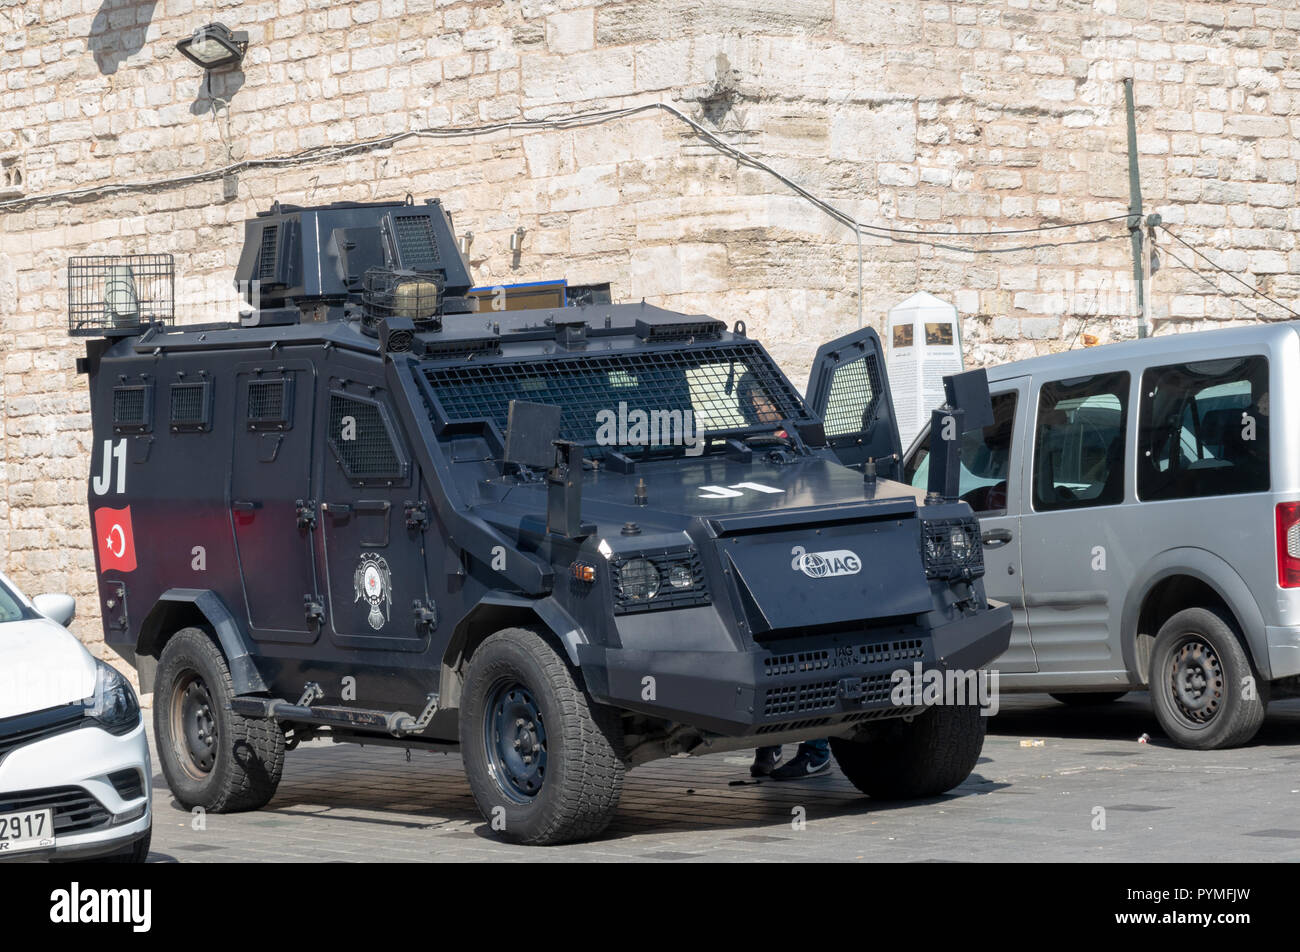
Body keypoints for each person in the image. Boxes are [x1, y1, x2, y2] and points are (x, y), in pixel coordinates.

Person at [736, 375, 832, 780]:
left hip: (801, 558)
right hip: (766, 562)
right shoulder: (742, 441)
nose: (760, 408)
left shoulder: (799, 440)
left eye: (764, 400)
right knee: (771, 656)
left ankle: (816, 748)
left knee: (812, 654)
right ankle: (767, 747)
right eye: (752, 403)